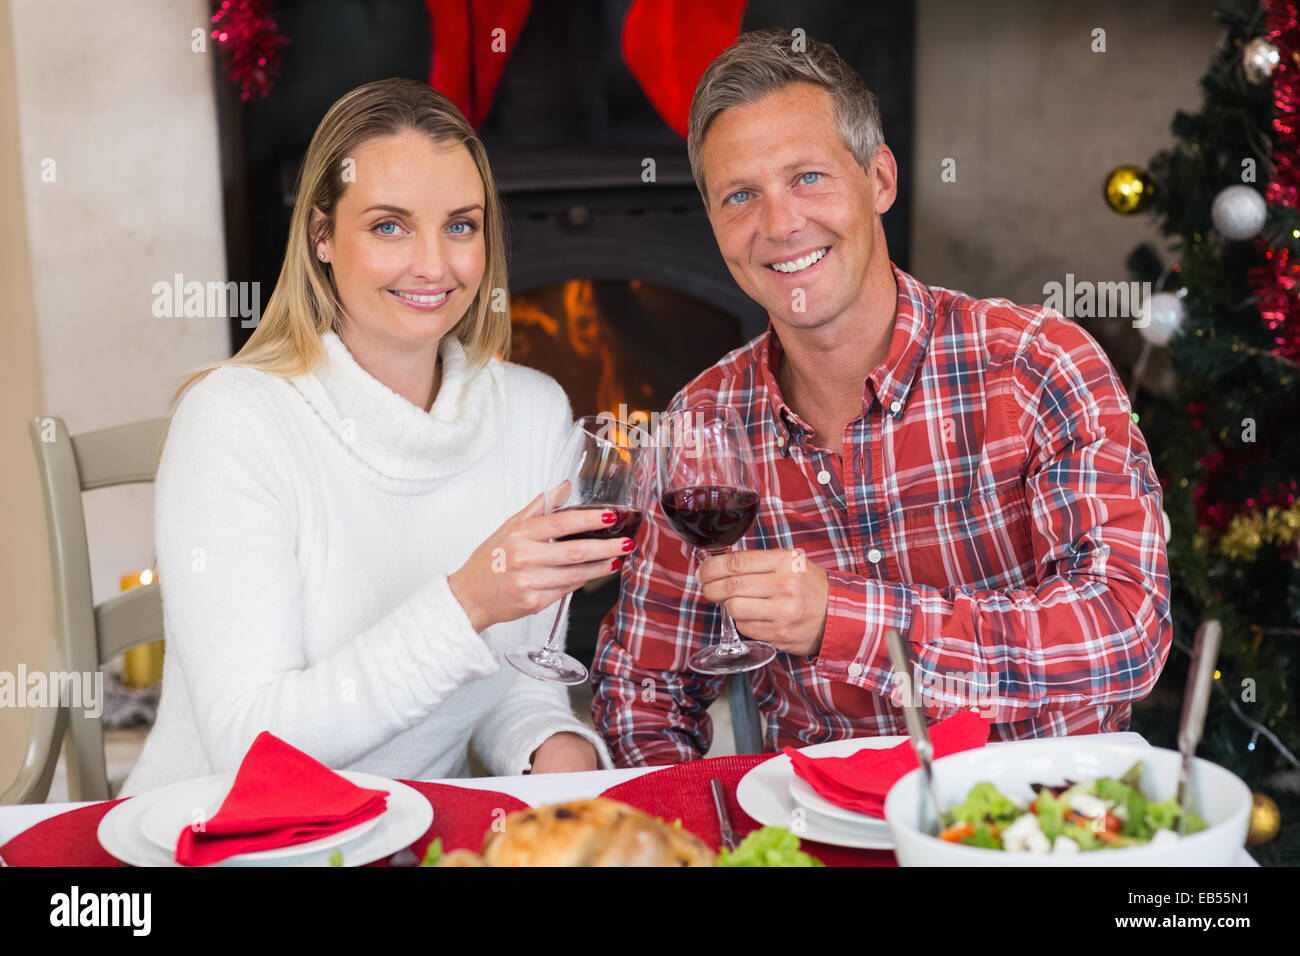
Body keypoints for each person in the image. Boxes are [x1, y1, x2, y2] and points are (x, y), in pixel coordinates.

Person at [591, 29, 1172, 764]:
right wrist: (698, 832)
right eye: (740, 195)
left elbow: (1124, 632)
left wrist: (844, 620)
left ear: (880, 180)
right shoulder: (702, 424)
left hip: (1038, 819)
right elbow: (644, 689)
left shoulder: (1038, 365)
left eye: (807, 178)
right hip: (816, 829)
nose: (778, 224)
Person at [121, 78, 621, 796]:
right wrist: (468, 601)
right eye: (389, 226)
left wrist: (560, 760)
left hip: (407, 834)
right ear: (321, 234)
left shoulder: (535, 415)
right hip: (222, 833)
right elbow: (250, 746)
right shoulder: (233, 422)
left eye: (460, 225)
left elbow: (518, 687)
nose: (433, 265)